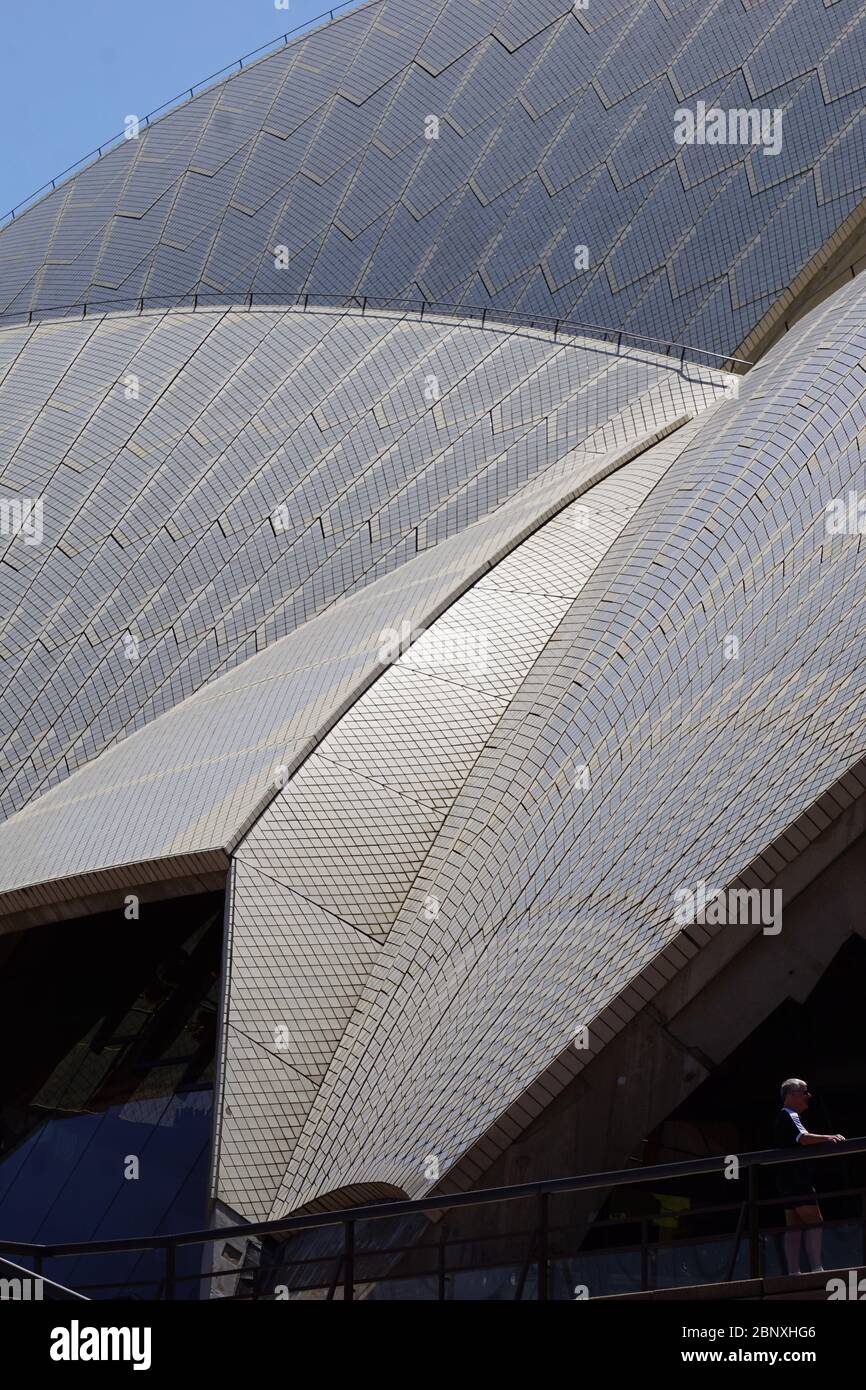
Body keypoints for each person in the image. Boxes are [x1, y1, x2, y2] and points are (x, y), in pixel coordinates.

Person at [774, 1078, 845, 1275]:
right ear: (792, 1095)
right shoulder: (789, 1115)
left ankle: (793, 1272)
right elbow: (803, 1138)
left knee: (793, 1225)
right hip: (797, 1179)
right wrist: (828, 1137)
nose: (809, 1096)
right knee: (815, 1220)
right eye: (805, 1092)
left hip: (786, 1179)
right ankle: (816, 1268)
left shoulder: (785, 1116)